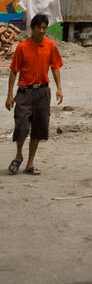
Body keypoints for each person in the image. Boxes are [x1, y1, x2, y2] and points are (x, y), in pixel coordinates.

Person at [6, 13, 63, 175]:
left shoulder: (50, 46)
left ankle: (30, 163)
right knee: (21, 127)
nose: (42, 31)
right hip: (24, 93)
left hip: (43, 92)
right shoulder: (22, 47)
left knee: (39, 128)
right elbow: (13, 72)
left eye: (45, 28)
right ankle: (19, 155)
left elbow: (55, 67)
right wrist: (10, 95)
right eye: (40, 28)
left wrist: (59, 87)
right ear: (33, 28)